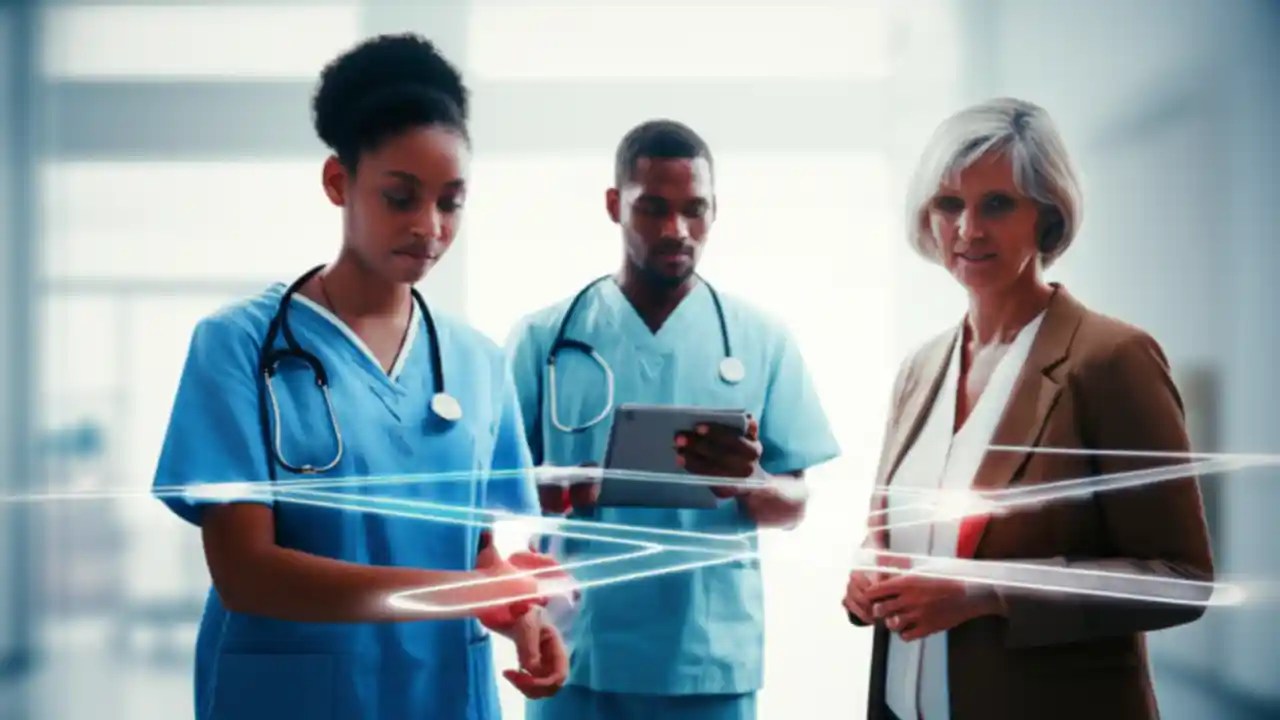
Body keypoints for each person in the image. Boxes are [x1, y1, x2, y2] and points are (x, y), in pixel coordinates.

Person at [150, 34, 567, 720]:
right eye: (400, 197)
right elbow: (245, 574)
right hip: (292, 698)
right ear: (338, 181)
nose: (429, 227)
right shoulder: (237, 345)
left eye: (451, 201)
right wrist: (461, 592)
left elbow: (476, 550)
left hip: (441, 692)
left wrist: (520, 617)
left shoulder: (476, 361)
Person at [842, 97, 1214, 720]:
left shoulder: (1110, 358)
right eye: (949, 204)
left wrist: (987, 591)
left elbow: (1181, 578)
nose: (968, 230)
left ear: (1046, 214)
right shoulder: (920, 369)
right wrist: (866, 572)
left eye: (997, 203)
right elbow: (902, 532)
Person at [506, 119, 841, 720]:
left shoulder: (760, 338)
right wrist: (555, 485)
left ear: (716, 211)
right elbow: (495, 488)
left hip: (707, 654)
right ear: (615, 205)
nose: (676, 230)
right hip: (580, 649)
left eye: (695, 210)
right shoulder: (543, 337)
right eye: (652, 208)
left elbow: (794, 504)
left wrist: (751, 483)